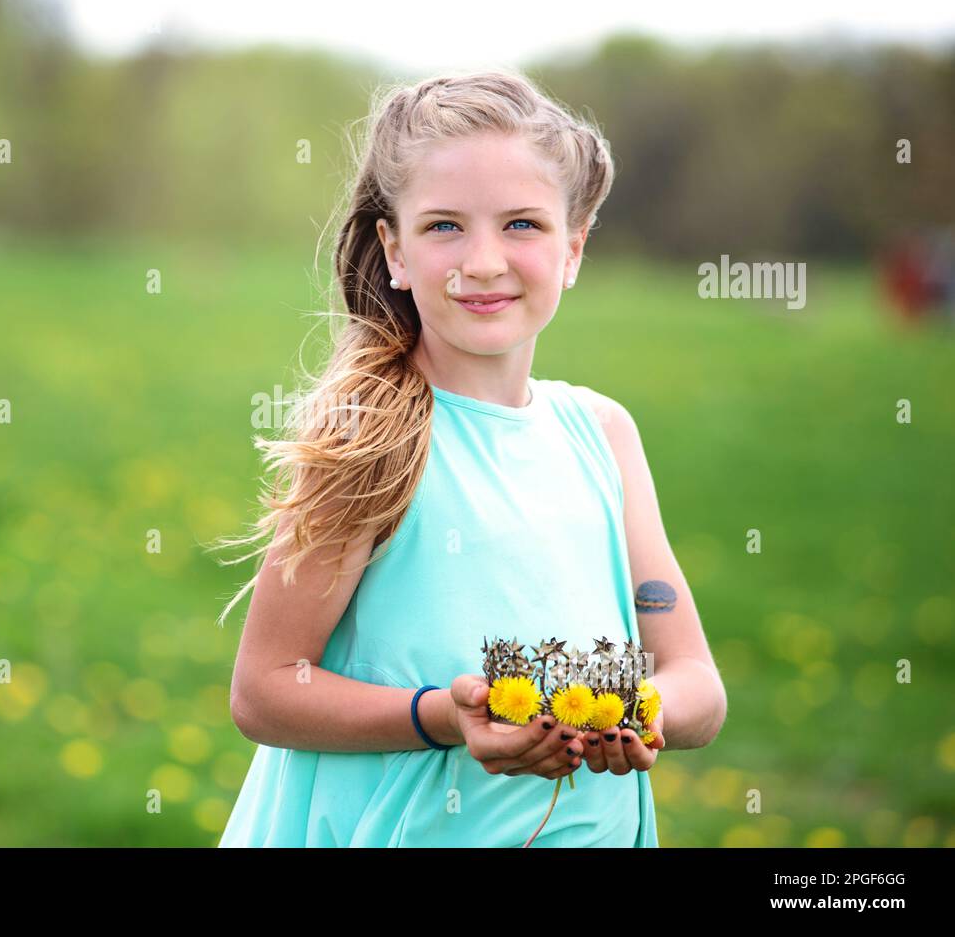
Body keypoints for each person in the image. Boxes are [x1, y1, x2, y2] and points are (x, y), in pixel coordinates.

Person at [208, 69, 726, 847]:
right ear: (395, 249)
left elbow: (698, 685)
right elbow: (265, 689)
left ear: (574, 247)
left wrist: (638, 712)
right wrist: (441, 717)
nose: (483, 261)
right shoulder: (371, 437)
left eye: (522, 224)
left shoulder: (604, 433)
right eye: (445, 226)